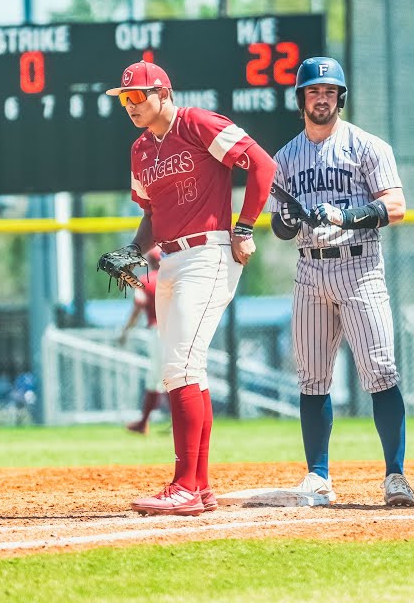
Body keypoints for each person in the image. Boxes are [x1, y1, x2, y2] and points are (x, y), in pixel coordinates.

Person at [103, 60, 274, 516]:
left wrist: (244, 227)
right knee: (184, 371)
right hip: (171, 259)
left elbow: (263, 164)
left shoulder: (196, 123)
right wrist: (133, 251)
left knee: (180, 366)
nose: (130, 105)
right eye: (124, 99)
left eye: (137, 96)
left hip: (209, 253)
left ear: (163, 93)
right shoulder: (140, 149)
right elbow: (151, 216)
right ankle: (200, 487)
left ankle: (184, 486)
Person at [268, 56, 414, 507]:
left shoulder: (368, 147)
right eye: (314, 92)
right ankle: (317, 475)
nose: (322, 99)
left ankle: (395, 475)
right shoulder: (285, 158)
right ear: (301, 99)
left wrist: (345, 215)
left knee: (380, 371)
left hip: (359, 267)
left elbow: (396, 206)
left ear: (340, 98)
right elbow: (278, 226)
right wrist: (286, 221)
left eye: (329, 92)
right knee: (312, 377)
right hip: (310, 270)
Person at [120, 246, 165, 435]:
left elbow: (138, 305)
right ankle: (144, 422)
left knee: (162, 376)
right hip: (178, 330)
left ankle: (149, 422)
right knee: (160, 377)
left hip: (158, 331)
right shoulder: (174, 278)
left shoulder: (146, 280)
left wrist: (125, 331)